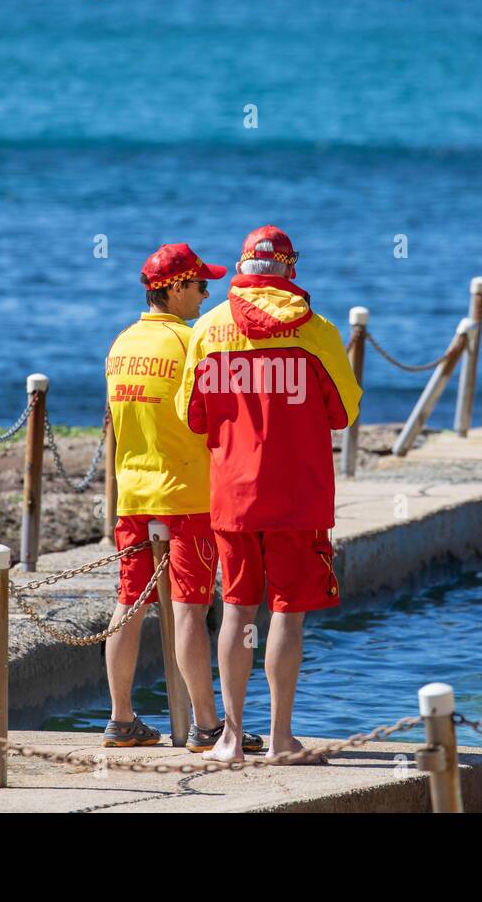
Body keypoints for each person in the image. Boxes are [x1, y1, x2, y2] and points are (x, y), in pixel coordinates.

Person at [176, 225, 361, 762]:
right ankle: (281, 737)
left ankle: (230, 739)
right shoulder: (319, 331)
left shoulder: (209, 329)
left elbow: (191, 416)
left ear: (241, 268)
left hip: (232, 492)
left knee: (236, 612)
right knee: (288, 613)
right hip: (298, 494)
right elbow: (345, 413)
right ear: (290, 269)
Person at [101, 242, 263, 754]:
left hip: (134, 495)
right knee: (190, 607)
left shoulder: (122, 343)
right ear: (173, 288)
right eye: (199, 285)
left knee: (128, 603)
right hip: (188, 496)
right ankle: (207, 724)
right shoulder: (191, 343)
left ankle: (120, 718)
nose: (206, 294)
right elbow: (218, 415)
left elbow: (114, 426)